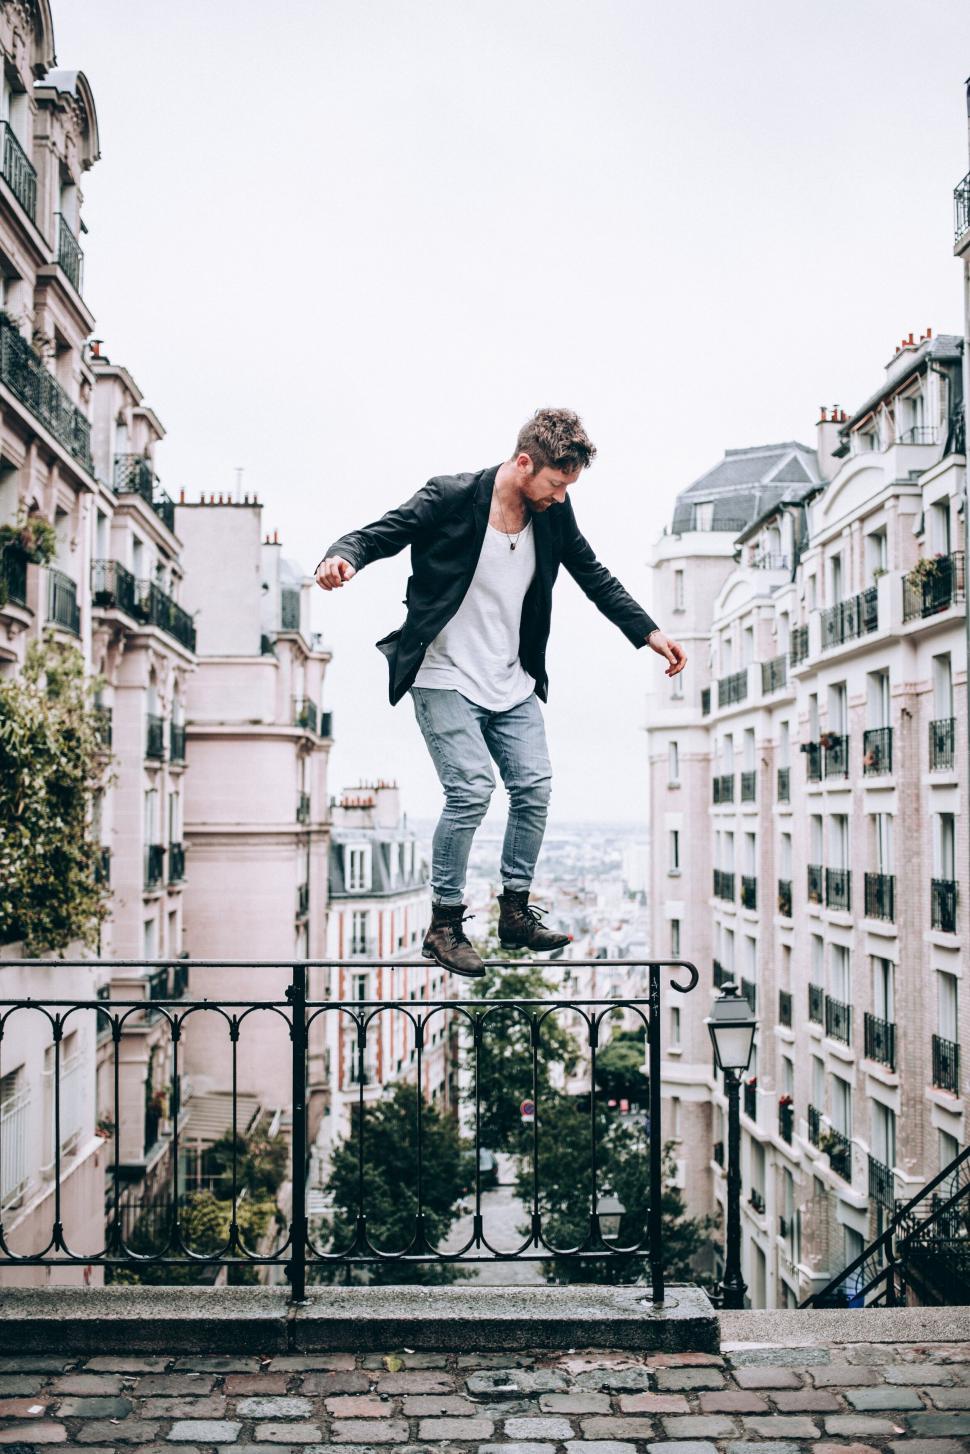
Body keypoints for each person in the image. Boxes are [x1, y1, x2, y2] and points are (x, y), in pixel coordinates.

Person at [315, 408, 686, 977]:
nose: (561, 497)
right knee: (471, 789)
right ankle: (444, 923)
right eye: (556, 484)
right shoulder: (452, 496)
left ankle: (514, 911)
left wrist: (649, 632)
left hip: (511, 680)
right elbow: (380, 533)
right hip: (444, 675)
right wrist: (342, 558)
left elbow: (594, 575)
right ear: (523, 463)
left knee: (534, 786)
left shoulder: (554, 517)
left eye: (568, 487)